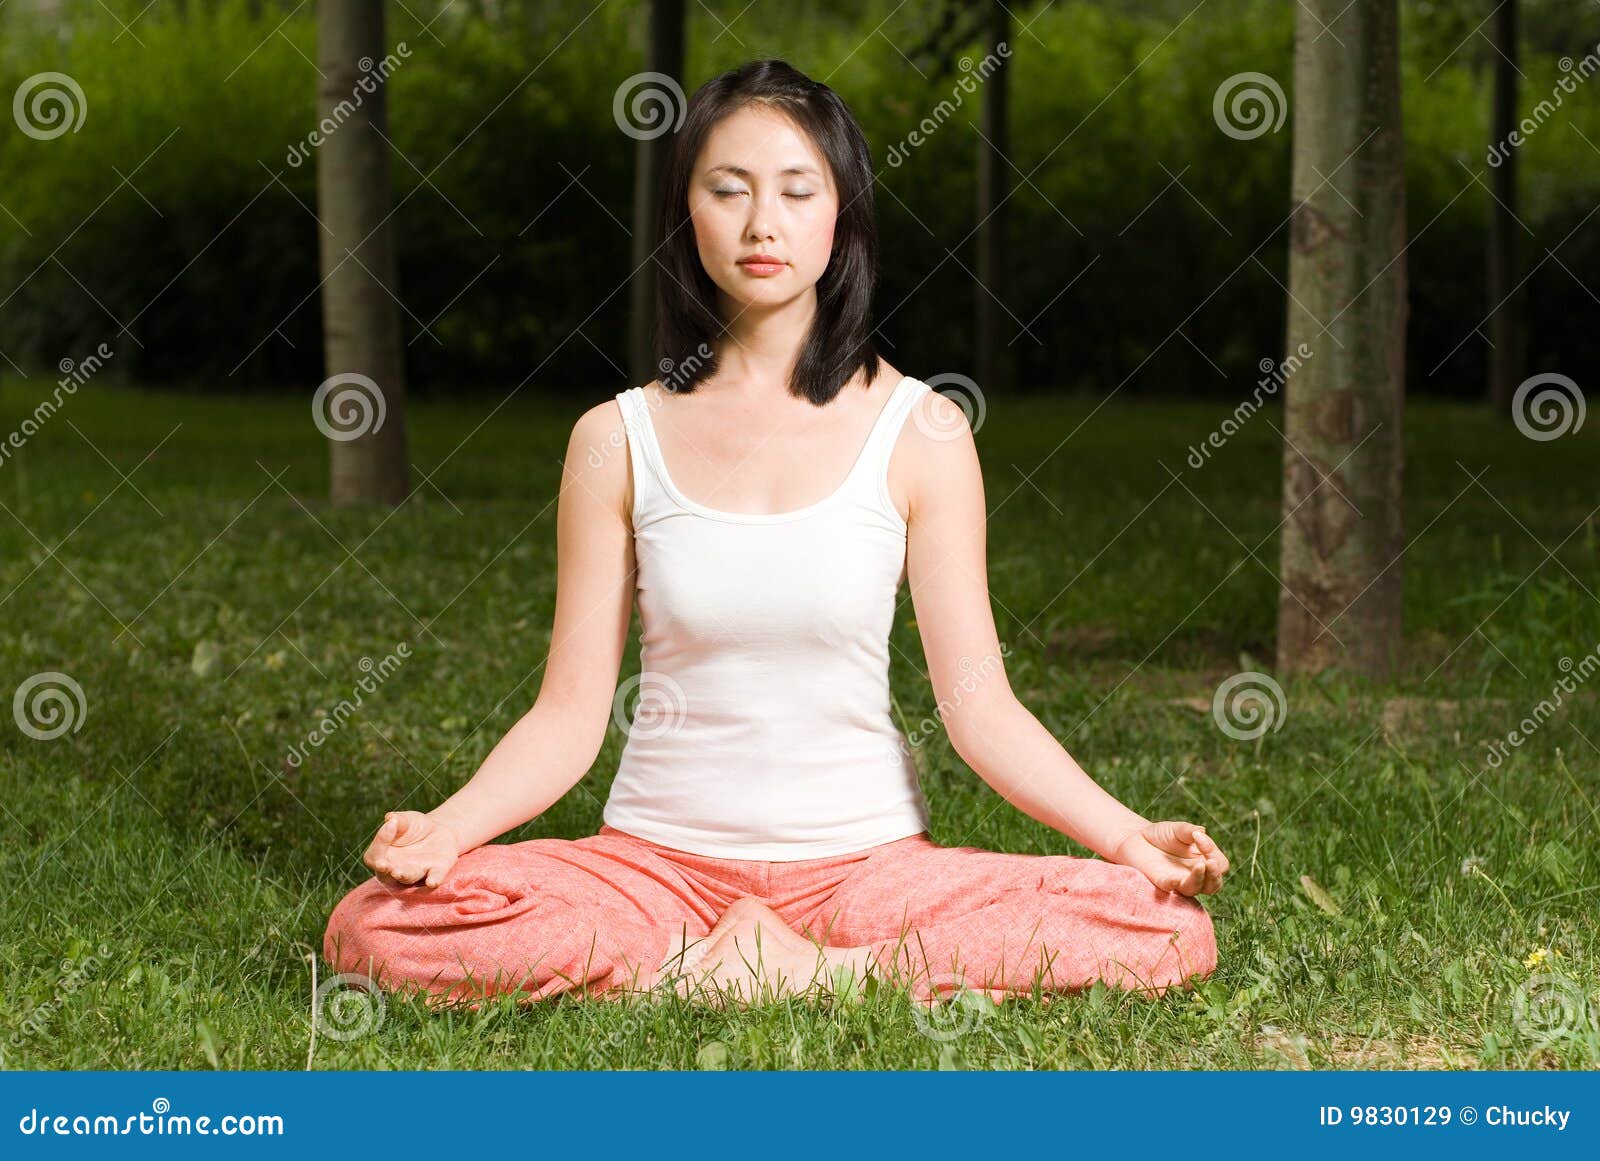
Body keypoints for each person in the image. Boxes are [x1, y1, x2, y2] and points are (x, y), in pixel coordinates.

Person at [322, 58, 1227, 1012]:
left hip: (866, 872)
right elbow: (567, 718)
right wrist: (448, 827)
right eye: (729, 189)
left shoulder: (922, 431)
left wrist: (1125, 835)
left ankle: (814, 971)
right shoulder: (614, 439)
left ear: (842, 216)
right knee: (371, 923)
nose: (763, 223)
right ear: (687, 213)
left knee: (1162, 922)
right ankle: (700, 965)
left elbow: (981, 710)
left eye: (798, 190)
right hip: (654, 871)